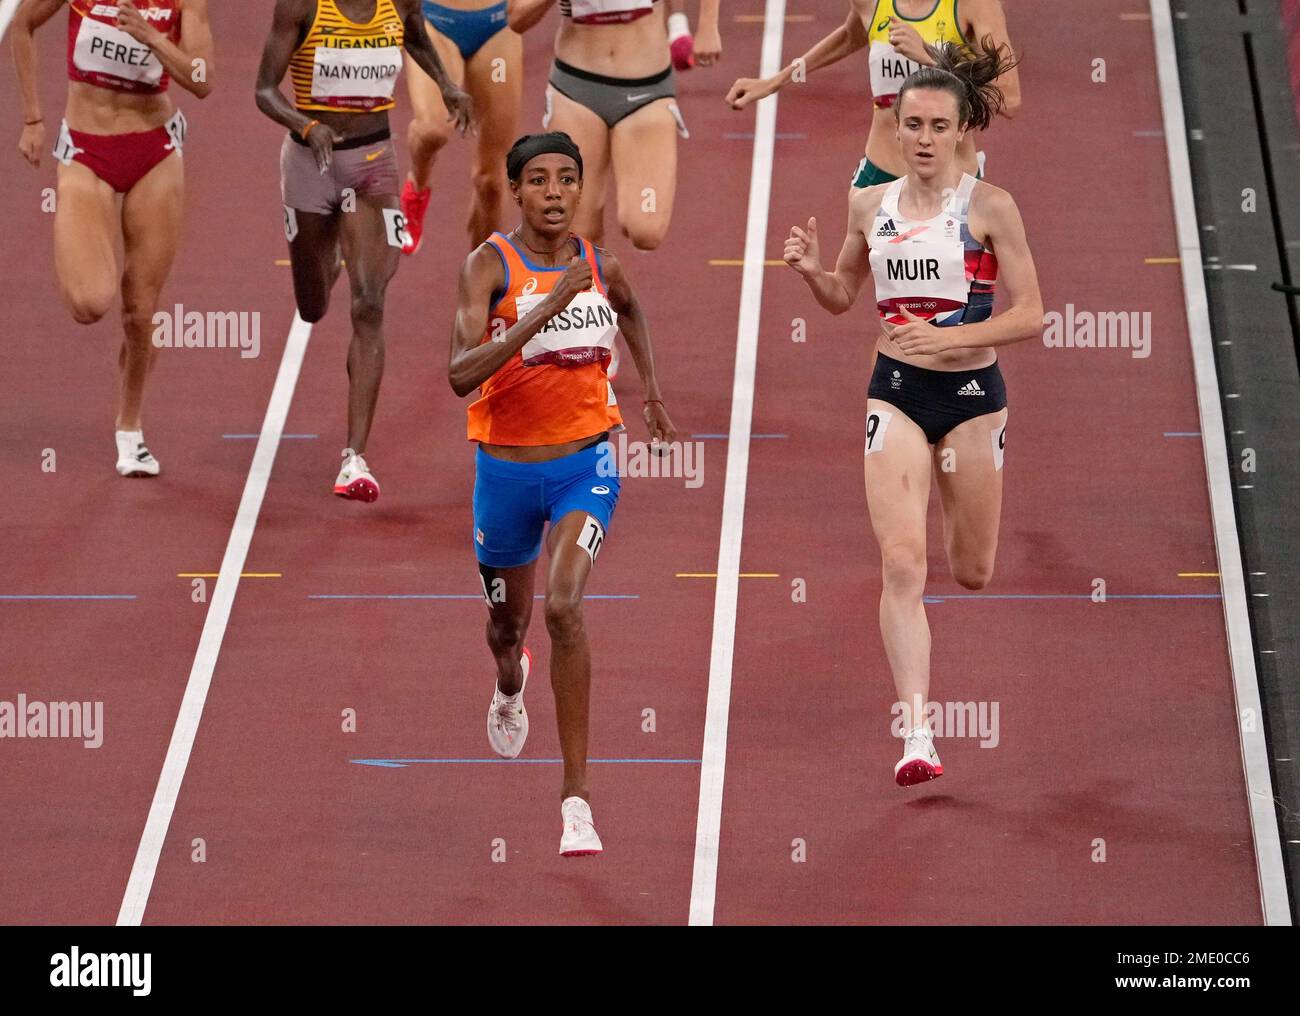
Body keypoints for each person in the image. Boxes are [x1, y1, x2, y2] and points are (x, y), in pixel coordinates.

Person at [783, 40, 1040, 786]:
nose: (923, 139)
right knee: (901, 563)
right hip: (894, 389)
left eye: (937, 126)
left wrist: (953, 334)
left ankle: (923, 722)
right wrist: (809, 273)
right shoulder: (870, 204)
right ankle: (917, 734)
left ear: (962, 132)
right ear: (894, 129)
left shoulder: (991, 208)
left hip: (970, 399)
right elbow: (841, 294)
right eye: (912, 125)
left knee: (973, 571)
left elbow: (1032, 315)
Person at [448, 132, 675, 853]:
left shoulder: (601, 267)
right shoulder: (487, 267)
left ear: (581, 189)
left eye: (567, 180)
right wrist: (543, 311)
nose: (554, 193)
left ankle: (576, 799)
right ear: (515, 190)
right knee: (508, 631)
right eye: (539, 180)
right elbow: (460, 373)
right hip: (505, 473)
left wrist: (653, 396)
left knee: (567, 604)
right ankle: (510, 683)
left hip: (586, 464)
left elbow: (633, 310)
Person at [255, 0, 473, 501]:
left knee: (370, 303)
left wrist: (446, 85)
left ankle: (355, 457)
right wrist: (307, 125)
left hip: (374, 163)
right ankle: (329, 258)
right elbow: (264, 90)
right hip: (310, 161)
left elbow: (416, 36)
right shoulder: (301, 7)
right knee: (312, 306)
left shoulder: (398, 3)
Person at [13, 0, 214, 477]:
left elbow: (204, 79)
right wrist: (33, 118)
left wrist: (154, 38)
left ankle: (130, 427)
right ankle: (76, 231)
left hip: (155, 148)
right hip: (86, 148)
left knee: (140, 310)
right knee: (89, 303)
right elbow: (21, 24)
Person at [727, 0, 1018, 190]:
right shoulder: (871, 3)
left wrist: (933, 57)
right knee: (849, 283)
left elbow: (1009, 97)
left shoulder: (975, 5)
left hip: (951, 183)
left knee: (951, 286)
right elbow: (848, 36)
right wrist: (775, 81)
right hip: (881, 177)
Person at [506, 0, 720, 250]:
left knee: (646, 228)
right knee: (576, 234)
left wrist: (707, 26)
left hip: (646, 91)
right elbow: (516, 18)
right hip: (576, 89)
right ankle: (593, 286)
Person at [399, 0, 522, 252]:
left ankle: (481, 279)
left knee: (492, 182)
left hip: (497, 24)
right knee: (432, 129)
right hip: (434, 19)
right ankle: (417, 186)